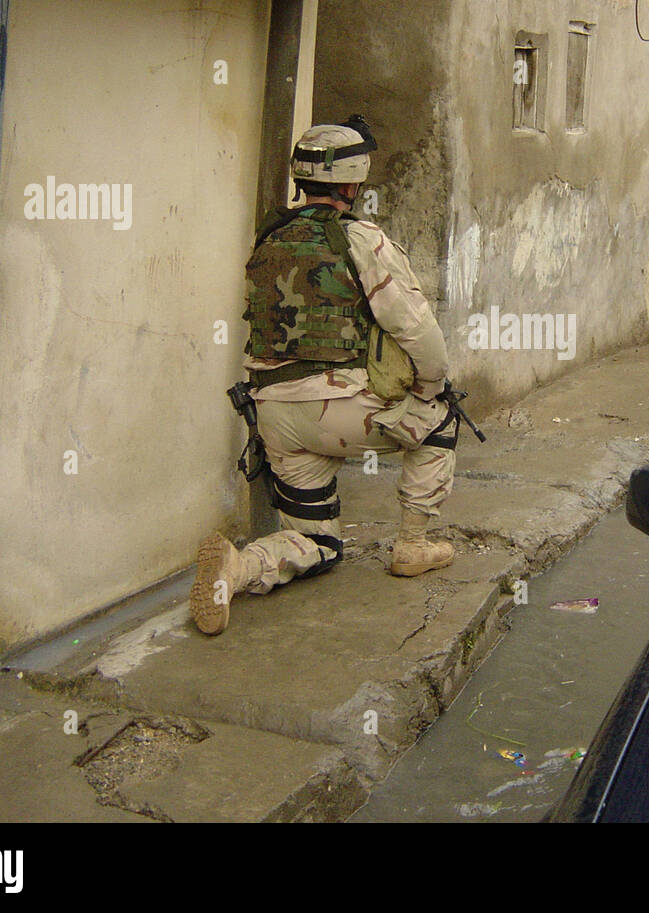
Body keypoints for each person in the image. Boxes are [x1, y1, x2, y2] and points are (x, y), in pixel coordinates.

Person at [189, 116, 459, 636]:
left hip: (271, 416)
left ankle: (237, 569)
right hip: (343, 411)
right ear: (354, 184)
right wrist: (428, 388)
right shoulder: (361, 239)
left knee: (318, 544)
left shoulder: (268, 238)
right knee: (442, 417)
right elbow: (420, 334)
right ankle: (413, 544)